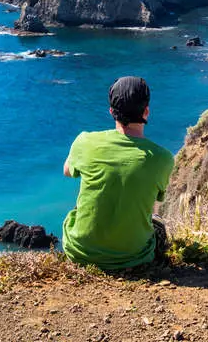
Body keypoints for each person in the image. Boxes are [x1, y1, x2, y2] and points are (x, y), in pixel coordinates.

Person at [62, 76, 174, 270]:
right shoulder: (163, 158)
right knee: (156, 222)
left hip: (80, 252)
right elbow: (155, 198)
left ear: (112, 112)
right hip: (135, 256)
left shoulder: (85, 141)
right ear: (146, 111)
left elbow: (67, 171)